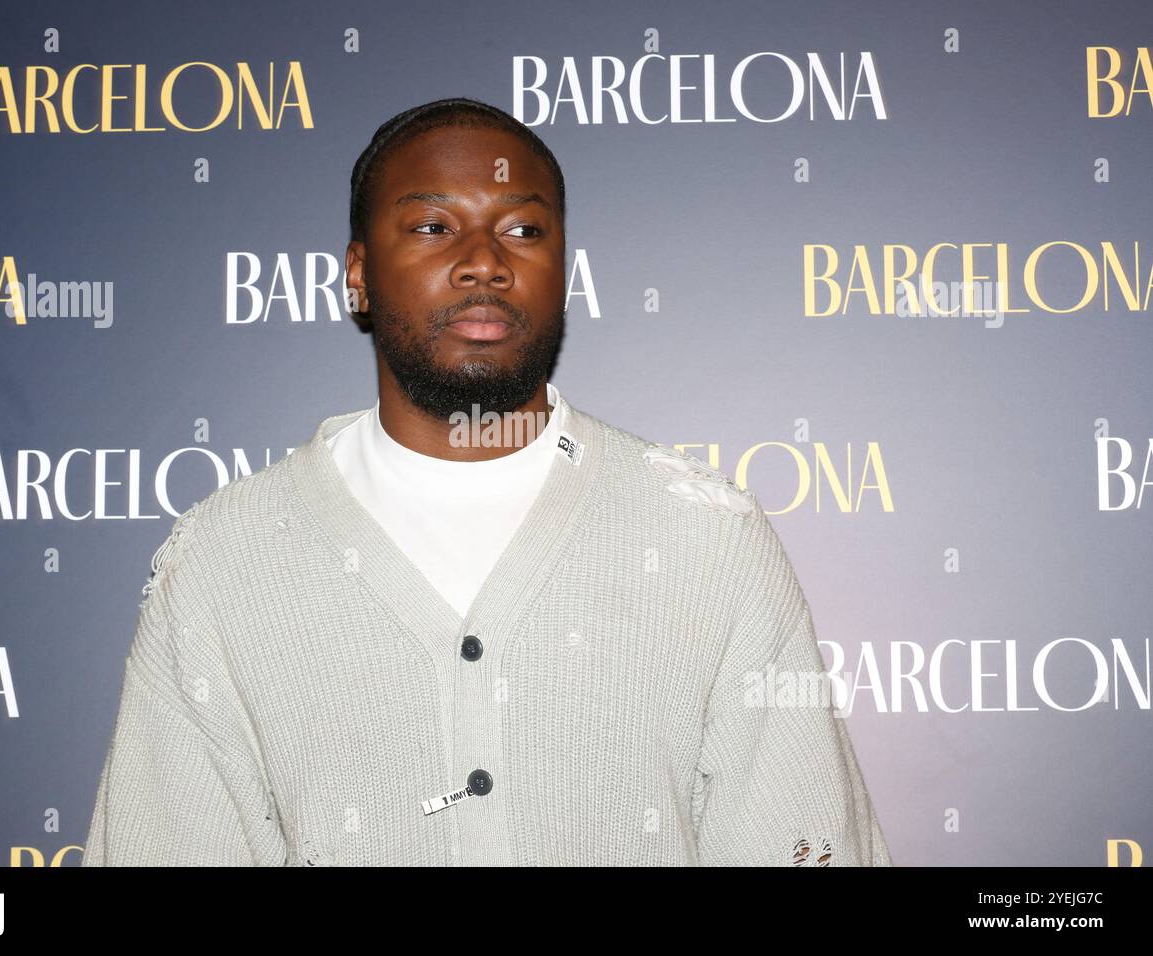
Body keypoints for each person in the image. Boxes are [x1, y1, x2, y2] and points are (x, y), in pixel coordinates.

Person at [81, 96, 892, 867]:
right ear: (357, 275)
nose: (483, 262)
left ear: (562, 269)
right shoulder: (227, 561)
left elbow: (802, 837)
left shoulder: (707, 538)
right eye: (434, 226)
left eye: (523, 229)